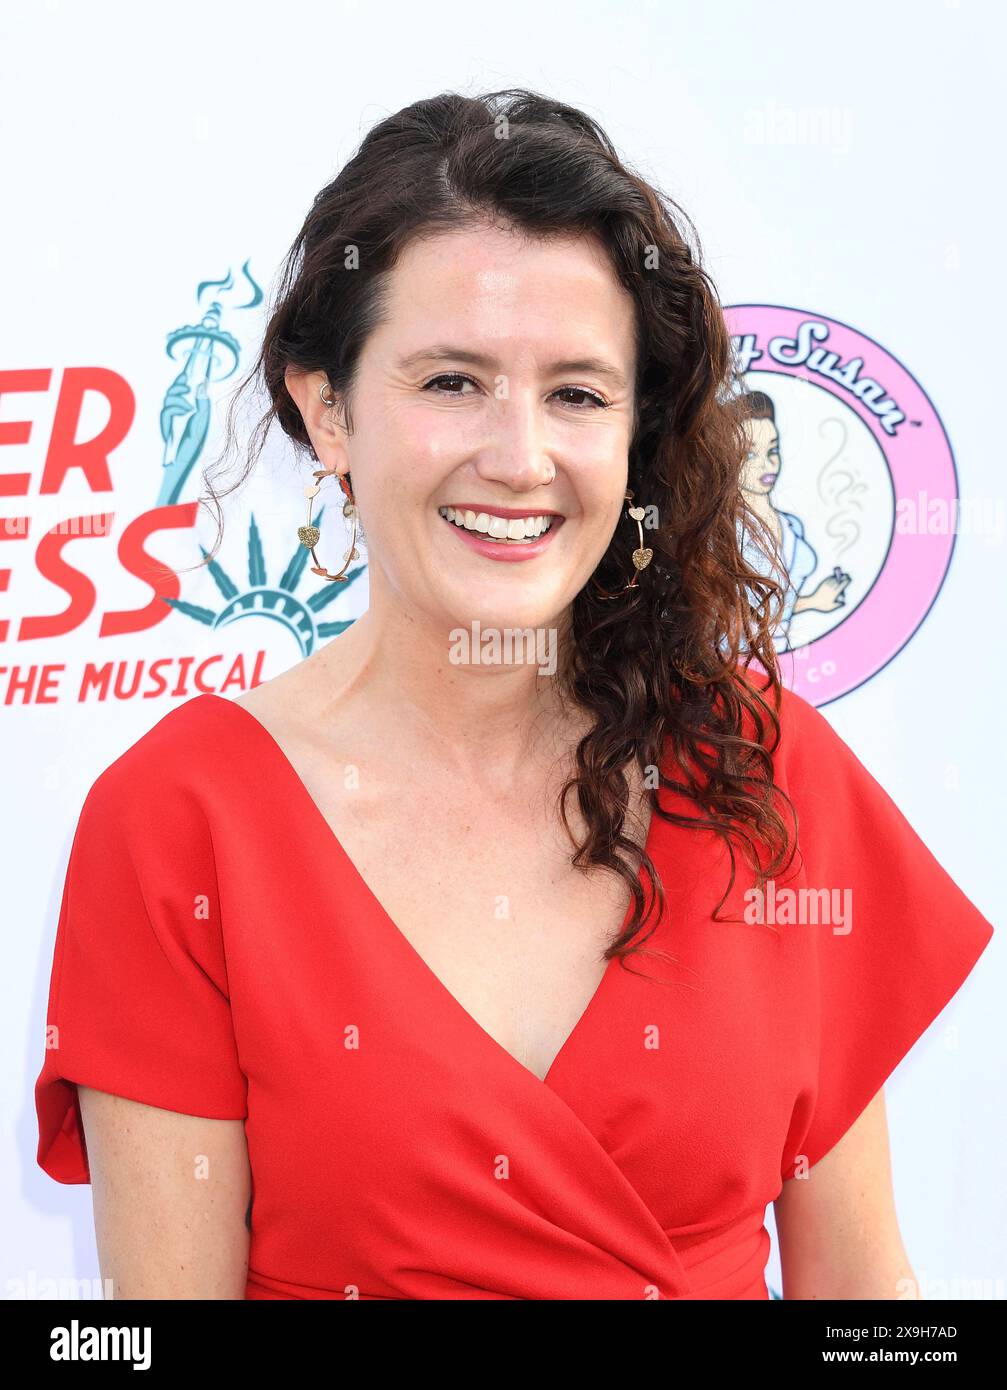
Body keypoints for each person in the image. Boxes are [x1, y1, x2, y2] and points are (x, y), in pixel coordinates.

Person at [34, 89, 993, 1301]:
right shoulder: (181, 821)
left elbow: (864, 1299)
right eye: (451, 381)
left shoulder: (762, 768)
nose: (520, 455)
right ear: (326, 409)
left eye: (578, 394)